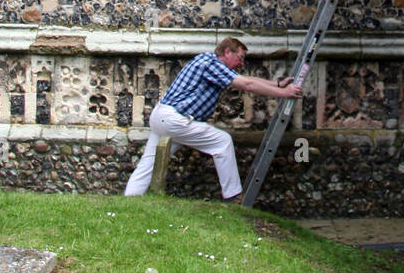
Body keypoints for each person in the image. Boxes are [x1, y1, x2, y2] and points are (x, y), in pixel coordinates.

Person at [123, 36, 302, 202]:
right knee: (222, 141)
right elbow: (247, 84)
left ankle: (130, 200)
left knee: (149, 163)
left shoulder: (210, 63)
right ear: (226, 52)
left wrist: (277, 84)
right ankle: (233, 196)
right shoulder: (210, 62)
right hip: (174, 119)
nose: (241, 63)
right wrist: (283, 93)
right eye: (239, 58)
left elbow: (246, 79)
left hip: (163, 117)